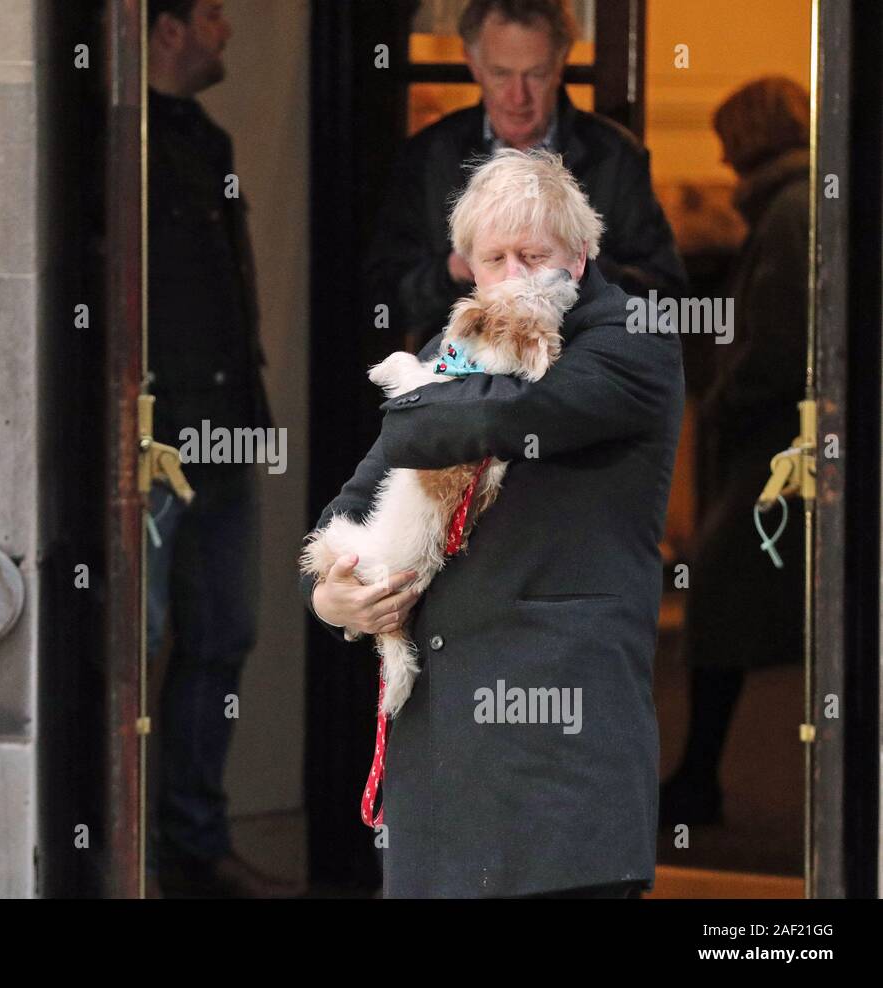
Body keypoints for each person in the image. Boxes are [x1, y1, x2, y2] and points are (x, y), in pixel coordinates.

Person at [302, 148, 684, 897]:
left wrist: (414, 393)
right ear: (466, 268)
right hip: (441, 771)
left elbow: (488, 417)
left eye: (533, 255)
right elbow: (351, 503)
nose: (513, 276)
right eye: (494, 258)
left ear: (580, 254)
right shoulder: (448, 356)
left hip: (560, 772)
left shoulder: (631, 338)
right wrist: (331, 598)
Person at [144, 0, 297, 898]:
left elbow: (231, 289)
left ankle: (196, 843)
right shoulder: (113, 144)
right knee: (147, 640)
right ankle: (138, 859)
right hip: (154, 439)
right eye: (210, 15)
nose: (227, 31)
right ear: (167, 29)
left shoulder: (206, 139)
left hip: (228, 424)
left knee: (223, 635)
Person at [660, 77, 811, 826]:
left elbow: (779, 343)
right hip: (785, 443)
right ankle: (697, 777)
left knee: (721, 603)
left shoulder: (786, 212)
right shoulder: (798, 205)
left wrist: (723, 401)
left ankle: (697, 781)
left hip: (775, 447)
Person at [366, 0, 686, 344]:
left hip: (581, 384)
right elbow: (381, 301)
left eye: (536, 74)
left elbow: (668, 303)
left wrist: (578, 272)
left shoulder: (615, 156)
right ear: (472, 63)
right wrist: (453, 270)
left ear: (560, 63)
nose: (518, 97)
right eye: (501, 74)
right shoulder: (429, 155)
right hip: (459, 385)